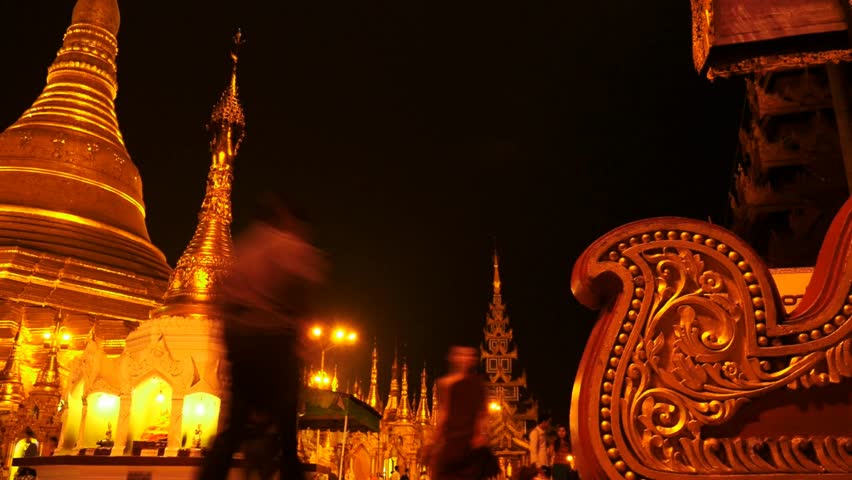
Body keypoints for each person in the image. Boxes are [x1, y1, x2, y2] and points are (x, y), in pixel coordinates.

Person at [197, 194, 326, 480]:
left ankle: (211, 474)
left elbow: (222, 300)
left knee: (234, 425)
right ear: (288, 220)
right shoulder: (292, 248)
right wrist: (303, 337)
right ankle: (289, 467)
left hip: (240, 341)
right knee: (287, 425)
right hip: (273, 343)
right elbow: (303, 295)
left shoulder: (245, 247)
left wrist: (230, 349)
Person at [426, 346, 500, 480]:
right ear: (452, 358)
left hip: (470, 441)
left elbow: (482, 413)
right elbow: (443, 412)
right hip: (451, 440)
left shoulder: (477, 384)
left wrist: (480, 434)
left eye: (469, 356)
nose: (464, 359)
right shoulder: (445, 383)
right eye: (461, 355)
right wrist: (433, 440)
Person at [528, 413, 551, 477]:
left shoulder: (543, 433)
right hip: (539, 466)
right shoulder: (535, 433)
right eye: (548, 422)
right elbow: (533, 451)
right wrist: (537, 465)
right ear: (544, 421)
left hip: (544, 464)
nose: (549, 424)